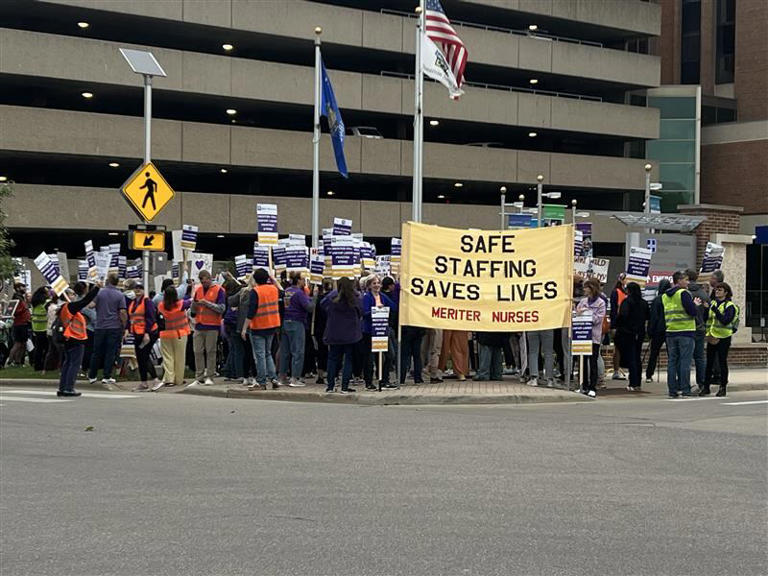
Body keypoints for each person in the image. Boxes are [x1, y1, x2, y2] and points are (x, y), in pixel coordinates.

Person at [242, 268, 282, 390]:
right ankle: (274, 378)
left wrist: (244, 328)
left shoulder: (256, 291)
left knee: (260, 355)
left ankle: (261, 382)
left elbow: (251, 312)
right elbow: (283, 291)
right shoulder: (274, 289)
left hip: (258, 327)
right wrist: (274, 279)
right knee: (268, 353)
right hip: (272, 326)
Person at [58, 283, 100, 397]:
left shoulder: (64, 307)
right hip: (75, 338)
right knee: (74, 364)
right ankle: (68, 388)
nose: (73, 295)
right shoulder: (70, 307)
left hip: (69, 338)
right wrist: (96, 288)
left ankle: (62, 388)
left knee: (68, 363)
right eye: (71, 294)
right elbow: (85, 300)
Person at [322, 277, 363, 393]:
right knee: (348, 359)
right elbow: (362, 311)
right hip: (350, 334)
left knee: (332, 359)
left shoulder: (332, 297)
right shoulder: (355, 297)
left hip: (334, 332)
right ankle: (344, 386)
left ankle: (330, 386)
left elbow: (322, 305)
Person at [662, 270, 699, 398]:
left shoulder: (665, 296)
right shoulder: (683, 293)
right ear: (679, 281)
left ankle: (672, 390)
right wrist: (695, 305)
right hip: (685, 331)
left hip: (671, 331)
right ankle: (685, 389)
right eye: (686, 280)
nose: (688, 282)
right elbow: (692, 312)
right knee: (685, 362)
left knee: (672, 362)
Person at [87, 273, 127, 384]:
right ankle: (107, 376)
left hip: (100, 326)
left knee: (96, 352)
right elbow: (122, 311)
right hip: (114, 326)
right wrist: (124, 324)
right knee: (110, 352)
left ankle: (92, 375)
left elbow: (90, 305)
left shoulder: (100, 293)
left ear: (108, 281)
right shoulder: (120, 295)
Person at [278, 272, 314, 387]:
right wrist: (315, 297)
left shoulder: (287, 291)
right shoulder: (299, 293)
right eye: (303, 279)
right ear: (298, 281)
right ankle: (295, 378)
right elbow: (309, 308)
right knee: (298, 352)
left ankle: (282, 377)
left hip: (286, 322)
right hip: (297, 322)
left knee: (285, 352)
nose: (305, 282)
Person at [361, 275, 397, 390]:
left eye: (378, 283)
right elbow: (364, 313)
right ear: (369, 286)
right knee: (369, 358)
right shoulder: (367, 297)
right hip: (370, 331)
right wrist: (375, 310)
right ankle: (369, 382)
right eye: (374, 283)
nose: (376, 285)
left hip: (382, 330)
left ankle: (384, 379)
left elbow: (394, 307)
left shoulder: (383, 296)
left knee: (390, 355)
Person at [702, 282, 737, 397]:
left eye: (720, 290)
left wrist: (715, 309)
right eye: (716, 290)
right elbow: (706, 318)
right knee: (709, 362)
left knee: (722, 361)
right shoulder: (712, 303)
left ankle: (723, 387)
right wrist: (706, 310)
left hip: (724, 337)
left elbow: (725, 320)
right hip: (712, 335)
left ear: (726, 292)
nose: (717, 292)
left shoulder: (729, 306)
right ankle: (706, 387)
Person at [153, 285, 191, 390]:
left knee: (168, 358)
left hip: (165, 335)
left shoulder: (161, 306)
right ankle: (178, 379)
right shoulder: (181, 304)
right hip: (180, 334)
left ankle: (169, 379)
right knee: (180, 358)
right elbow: (190, 300)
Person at [614, 282, 649, 392]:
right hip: (640, 332)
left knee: (631, 358)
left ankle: (633, 382)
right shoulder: (644, 303)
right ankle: (637, 382)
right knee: (637, 357)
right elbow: (648, 316)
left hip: (627, 333)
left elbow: (623, 315)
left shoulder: (627, 302)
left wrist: (616, 325)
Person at [575, 278, 606, 398]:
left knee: (593, 361)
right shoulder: (583, 301)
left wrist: (587, 313)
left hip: (594, 336)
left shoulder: (600, 303)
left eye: (586, 287)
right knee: (582, 361)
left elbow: (598, 319)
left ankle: (593, 387)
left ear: (592, 288)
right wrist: (579, 312)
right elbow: (576, 314)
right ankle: (583, 385)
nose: (584, 290)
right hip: (582, 335)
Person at [127, 283, 159, 391]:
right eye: (136, 288)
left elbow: (150, 318)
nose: (138, 290)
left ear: (143, 290)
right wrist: (128, 329)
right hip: (137, 333)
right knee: (140, 357)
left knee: (144, 356)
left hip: (148, 333)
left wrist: (146, 333)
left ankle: (155, 380)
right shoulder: (133, 303)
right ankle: (144, 382)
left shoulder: (147, 302)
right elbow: (131, 318)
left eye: (140, 288)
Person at [686, 268, 709, 392]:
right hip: (700, 328)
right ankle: (702, 383)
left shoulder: (685, 293)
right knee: (700, 358)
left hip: (687, 328)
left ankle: (685, 384)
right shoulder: (703, 294)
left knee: (686, 359)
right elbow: (707, 312)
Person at [645, 278, 671, 383]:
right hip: (669, 328)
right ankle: (673, 374)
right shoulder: (671, 298)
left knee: (654, 353)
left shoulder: (657, 300)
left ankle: (649, 374)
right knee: (672, 354)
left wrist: (650, 331)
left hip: (658, 330)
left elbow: (654, 317)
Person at [609, 273, 628, 381]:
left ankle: (619, 369)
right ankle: (616, 371)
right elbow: (614, 310)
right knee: (617, 348)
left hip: (624, 324)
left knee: (621, 348)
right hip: (618, 324)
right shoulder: (616, 292)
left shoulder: (624, 292)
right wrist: (614, 325)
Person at [8, 282, 31, 366]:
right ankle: (11, 361)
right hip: (20, 323)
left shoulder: (20, 298)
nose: (24, 289)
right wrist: (24, 309)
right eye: (23, 287)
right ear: (18, 288)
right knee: (18, 343)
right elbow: (14, 311)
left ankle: (18, 361)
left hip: (22, 323)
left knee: (22, 343)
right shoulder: (17, 299)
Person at [29, 286, 50, 372]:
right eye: (47, 292)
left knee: (39, 348)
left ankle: (37, 366)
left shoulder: (34, 302)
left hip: (36, 327)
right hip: (44, 327)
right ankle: (44, 364)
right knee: (47, 348)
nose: (49, 293)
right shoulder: (46, 302)